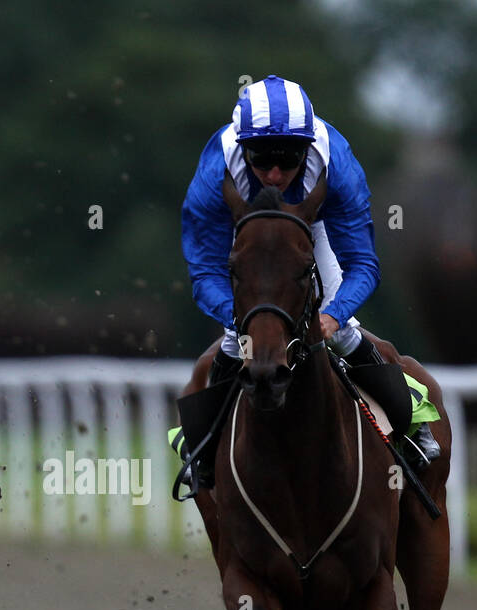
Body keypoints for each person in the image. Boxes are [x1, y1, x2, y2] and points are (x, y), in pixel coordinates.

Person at [181, 74, 439, 485]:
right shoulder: (217, 172)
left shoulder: (336, 163)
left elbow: (363, 265)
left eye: (289, 158)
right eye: (262, 159)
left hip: (311, 228)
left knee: (343, 335)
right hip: (245, 231)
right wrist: (243, 318)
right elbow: (205, 270)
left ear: (309, 148)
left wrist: (334, 316)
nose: (275, 174)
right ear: (243, 149)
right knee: (236, 340)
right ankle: (203, 451)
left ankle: (412, 428)